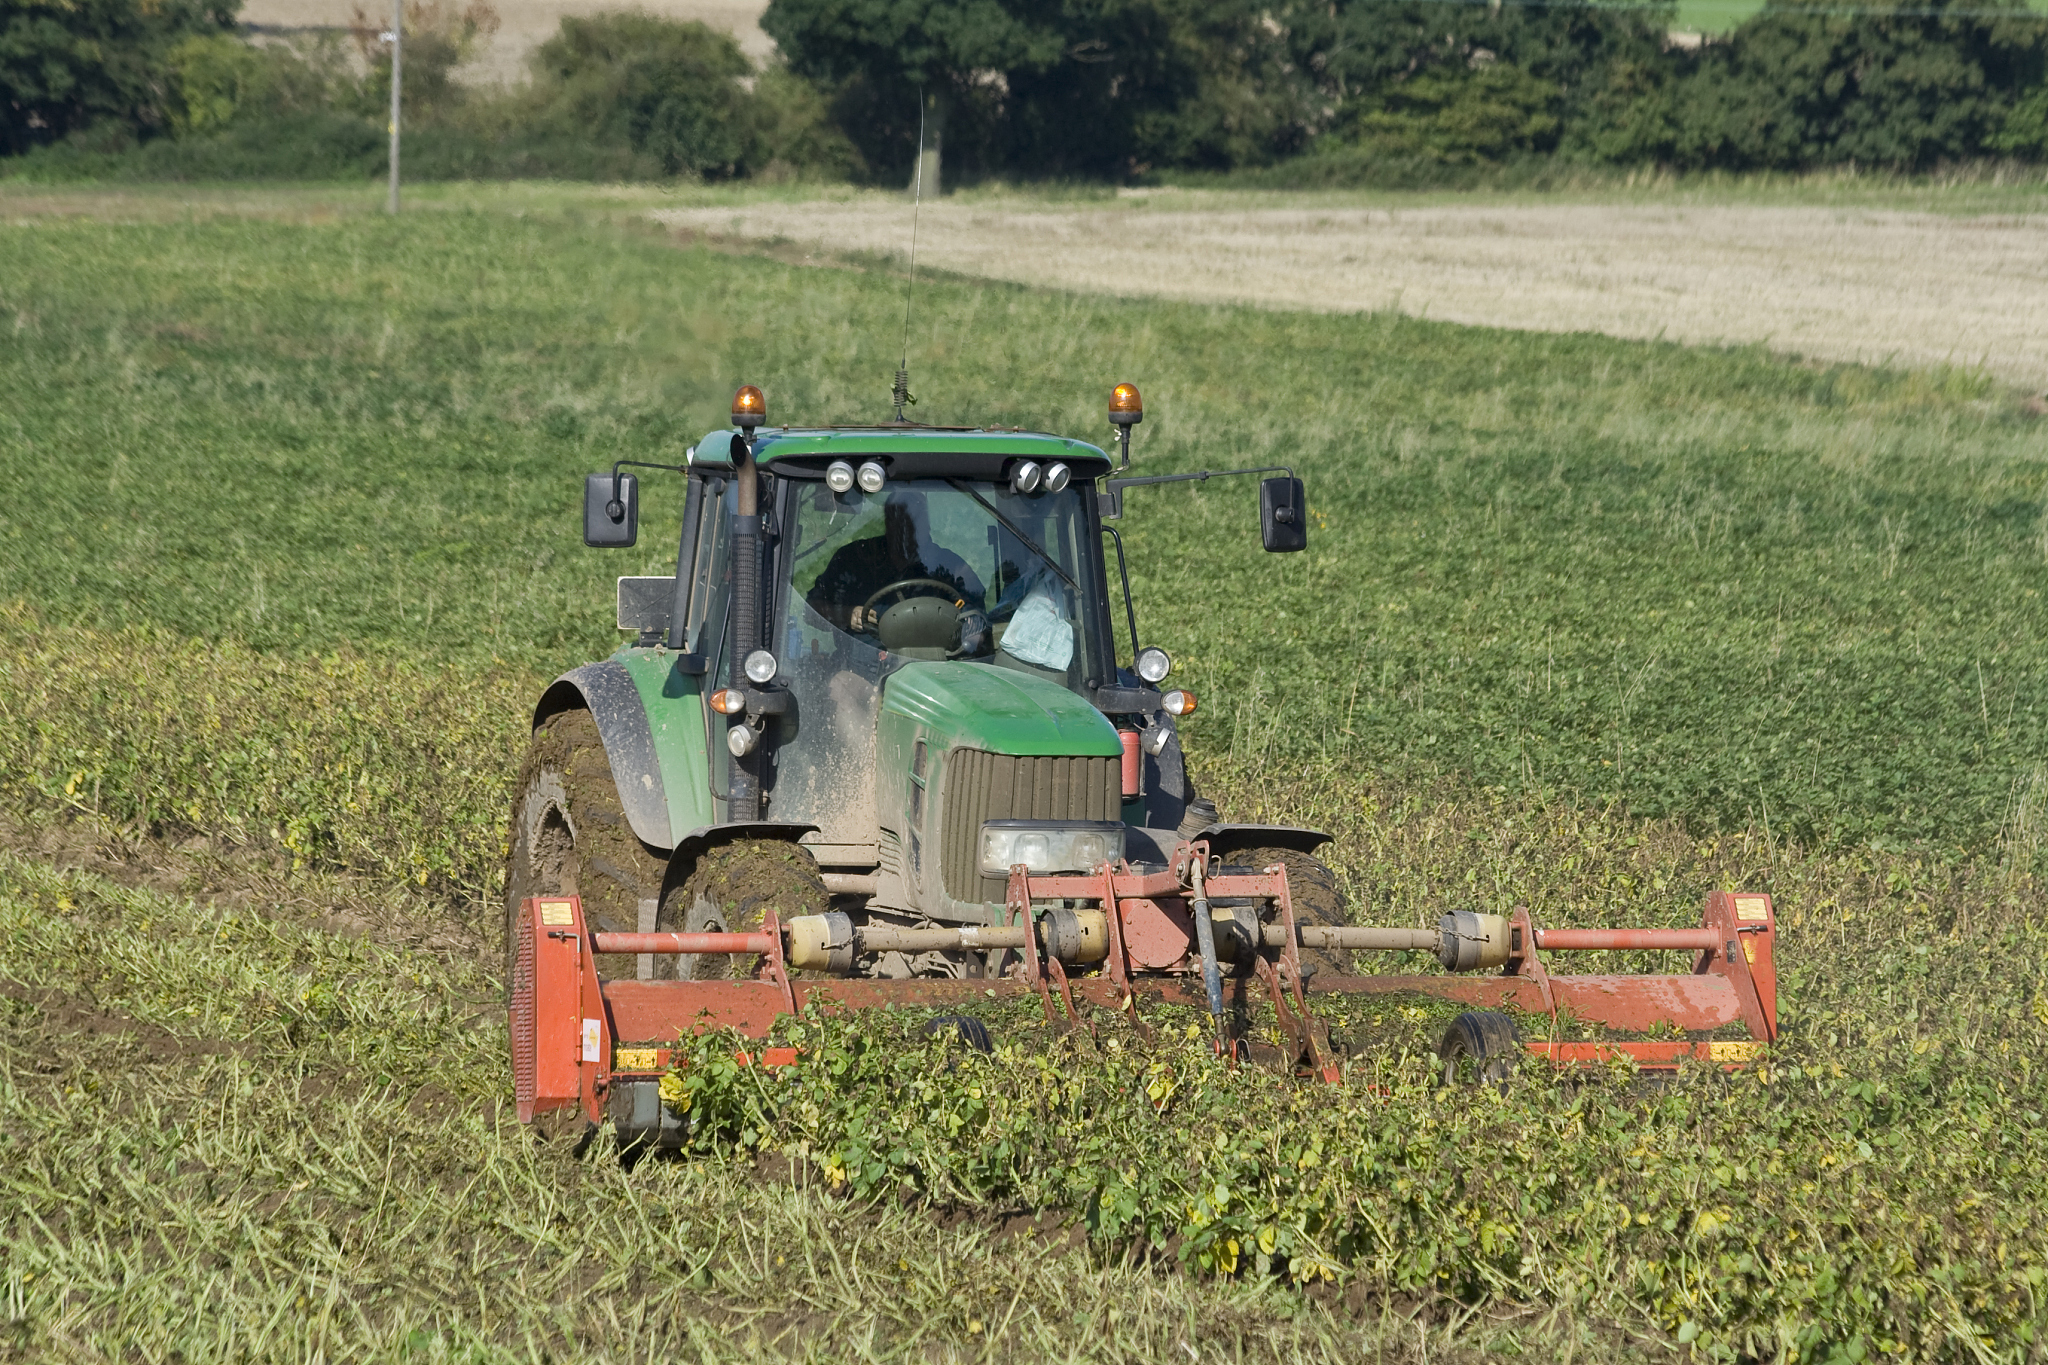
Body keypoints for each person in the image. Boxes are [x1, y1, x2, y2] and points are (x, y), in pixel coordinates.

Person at [806, 490, 985, 636]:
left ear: (928, 524)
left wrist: (966, 623)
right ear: (888, 523)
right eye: (900, 520)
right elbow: (812, 612)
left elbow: (976, 613)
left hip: (935, 665)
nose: (907, 530)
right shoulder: (853, 560)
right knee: (840, 682)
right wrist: (846, 614)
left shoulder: (950, 568)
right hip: (860, 669)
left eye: (915, 520)